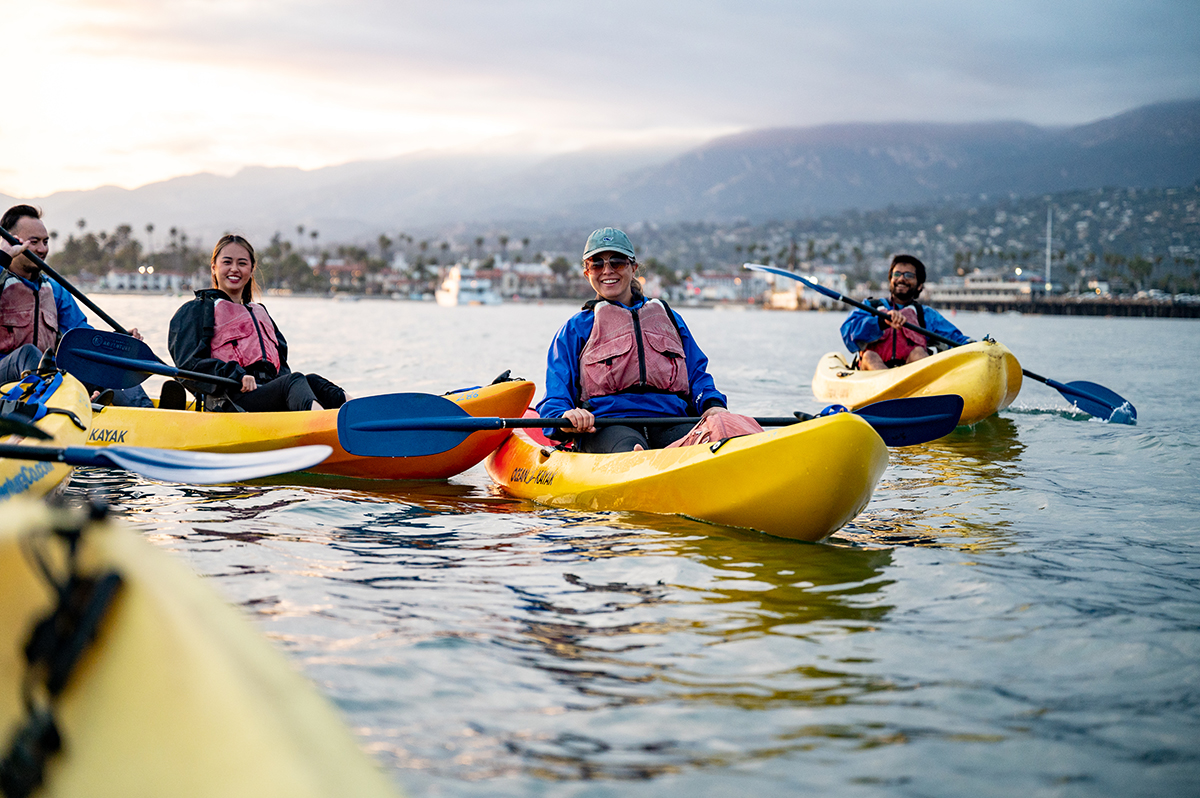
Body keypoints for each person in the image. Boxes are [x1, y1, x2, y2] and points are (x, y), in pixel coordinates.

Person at [536, 227, 748, 453]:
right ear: (587, 272)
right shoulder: (575, 329)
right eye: (597, 264)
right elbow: (556, 397)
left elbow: (697, 375)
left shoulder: (669, 319)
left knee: (721, 435)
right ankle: (636, 466)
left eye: (616, 262)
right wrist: (566, 416)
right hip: (608, 425)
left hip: (670, 421)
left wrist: (712, 405)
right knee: (629, 447)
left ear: (633, 268)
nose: (607, 271)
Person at [168, 233, 347, 412]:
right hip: (230, 400)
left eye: (242, 263)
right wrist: (237, 375)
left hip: (264, 397)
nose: (234, 269)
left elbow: (281, 368)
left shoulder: (260, 313)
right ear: (214, 267)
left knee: (313, 381)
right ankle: (319, 423)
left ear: (252, 269)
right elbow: (188, 365)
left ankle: (360, 414)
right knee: (294, 380)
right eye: (227, 262)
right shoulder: (196, 311)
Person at [0, 204, 152, 405]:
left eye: (46, 242)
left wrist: (117, 343)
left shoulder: (54, 290)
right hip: (8, 376)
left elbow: (83, 337)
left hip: (49, 377)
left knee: (112, 367)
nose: (42, 249)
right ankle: (67, 402)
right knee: (28, 353)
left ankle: (147, 412)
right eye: (34, 242)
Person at [841, 254, 972, 370]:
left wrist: (975, 346)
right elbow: (848, 334)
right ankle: (889, 390)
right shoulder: (870, 307)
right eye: (897, 274)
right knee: (870, 356)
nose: (901, 279)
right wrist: (881, 322)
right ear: (890, 280)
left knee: (919, 353)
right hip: (875, 373)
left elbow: (954, 339)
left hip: (910, 377)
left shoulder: (925, 315)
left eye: (909, 275)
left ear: (919, 285)